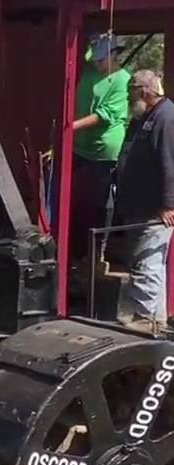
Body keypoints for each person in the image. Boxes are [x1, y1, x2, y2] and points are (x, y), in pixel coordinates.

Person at [115, 70, 174, 332]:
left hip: (155, 210)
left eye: (133, 92)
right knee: (146, 263)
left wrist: (169, 204)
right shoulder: (144, 118)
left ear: (146, 92)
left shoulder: (166, 117)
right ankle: (154, 319)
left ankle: (146, 317)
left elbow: (169, 162)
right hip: (138, 207)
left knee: (147, 263)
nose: (129, 98)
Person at [69, 34, 131, 260]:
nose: (96, 63)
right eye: (95, 59)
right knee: (61, 184)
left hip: (105, 148)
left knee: (103, 198)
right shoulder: (91, 69)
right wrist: (97, 39)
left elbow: (105, 115)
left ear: (114, 56)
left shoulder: (123, 80)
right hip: (78, 143)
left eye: (101, 59)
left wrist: (71, 126)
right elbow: (83, 50)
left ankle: (100, 248)